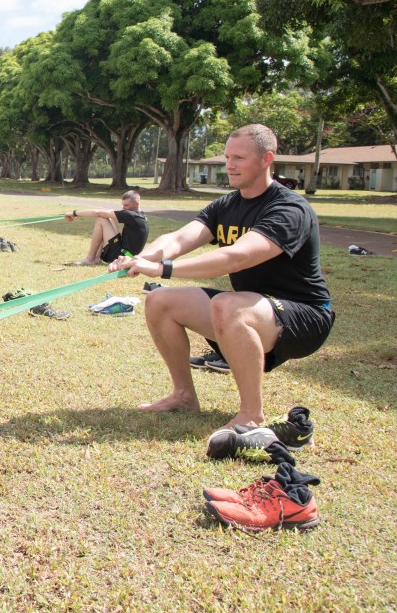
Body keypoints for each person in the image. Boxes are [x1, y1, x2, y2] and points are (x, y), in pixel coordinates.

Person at [110, 124, 335, 431]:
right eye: (228, 156)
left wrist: (164, 269)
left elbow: (236, 256)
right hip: (250, 308)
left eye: (239, 158)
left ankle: (251, 415)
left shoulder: (289, 208)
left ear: (266, 159)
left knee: (228, 305)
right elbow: (180, 238)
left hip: (304, 316)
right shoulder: (227, 204)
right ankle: (184, 396)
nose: (229, 164)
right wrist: (144, 258)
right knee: (160, 300)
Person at [65, 190, 149, 265]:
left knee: (101, 219)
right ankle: (97, 258)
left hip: (121, 257)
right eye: (122, 205)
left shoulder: (131, 216)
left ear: (136, 204)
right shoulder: (140, 215)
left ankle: (90, 259)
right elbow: (107, 212)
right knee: (108, 217)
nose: (123, 208)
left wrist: (75, 213)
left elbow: (98, 212)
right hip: (126, 254)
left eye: (126, 205)